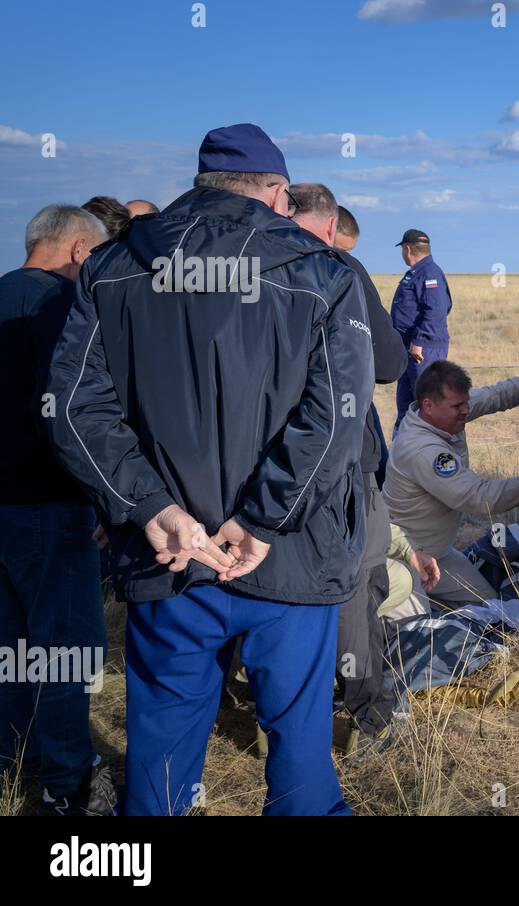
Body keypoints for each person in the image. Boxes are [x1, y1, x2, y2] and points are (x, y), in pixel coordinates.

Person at [45, 123, 374, 816]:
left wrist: (153, 509)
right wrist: (263, 520)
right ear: (277, 193)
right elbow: (339, 418)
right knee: (301, 752)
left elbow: (74, 409)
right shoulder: (323, 271)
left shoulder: (113, 267)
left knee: (161, 755)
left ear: (203, 184)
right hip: (288, 557)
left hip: (172, 556)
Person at [288, 181, 434, 755]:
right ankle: (370, 712)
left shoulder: (225, 271)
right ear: (329, 228)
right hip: (341, 458)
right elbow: (391, 360)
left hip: (253, 471)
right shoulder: (337, 270)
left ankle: (277, 700)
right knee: (358, 582)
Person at [0, 204, 115, 816]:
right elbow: (70, 412)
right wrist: (99, 496)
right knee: (65, 648)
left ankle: (14, 757)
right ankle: (66, 783)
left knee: (11, 644)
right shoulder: (60, 308)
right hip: (49, 503)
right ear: (76, 250)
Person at [384, 361, 519, 605]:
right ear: (428, 406)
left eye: (466, 403)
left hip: (439, 553)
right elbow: (479, 498)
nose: (465, 410)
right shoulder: (421, 450)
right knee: (416, 630)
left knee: (490, 608)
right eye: (457, 406)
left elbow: (497, 395)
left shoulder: (444, 415)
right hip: (406, 556)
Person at [390, 229, 452, 435]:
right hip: (409, 350)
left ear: (407, 249)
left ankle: (429, 453)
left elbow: (437, 309)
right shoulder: (416, 273)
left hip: (423, 350)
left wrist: (419, 340)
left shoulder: (430, 273)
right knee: (408, 409)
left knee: (426, 407)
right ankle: (403, 454)